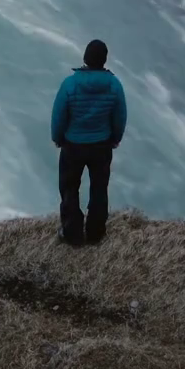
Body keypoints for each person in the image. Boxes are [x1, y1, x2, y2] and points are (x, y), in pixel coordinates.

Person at [50, 39, 127, 246]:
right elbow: (120, 116)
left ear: (85, 58)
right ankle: (95, 234)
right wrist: (115, 138)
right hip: (101, 146)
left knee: (69, 188)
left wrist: (58, 138)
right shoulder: (114, 85)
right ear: (104, 60)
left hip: (73, 146)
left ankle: (72, 234)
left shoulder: (70, 84)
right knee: (99, 189)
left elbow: (59, 115)